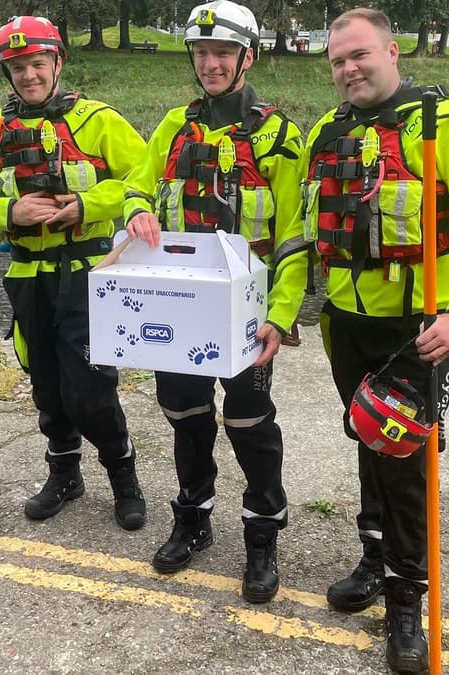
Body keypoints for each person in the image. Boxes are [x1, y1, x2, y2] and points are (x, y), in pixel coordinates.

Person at [307, 8, 449, 672]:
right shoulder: (329, 130)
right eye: (338, 60)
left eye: (360, 54)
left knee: (404, 461)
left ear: (392, 51)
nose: (349, 69)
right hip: (347, 321)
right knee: (367, 442)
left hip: (418, 329)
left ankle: (406, 598)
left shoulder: (447, 125)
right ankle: (374, 558)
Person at [123, 0, 307, 603]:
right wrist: (138, 210)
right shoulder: (174, 127)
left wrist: (282, 314)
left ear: (246, 57)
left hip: (248, 310)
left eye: (223, 53)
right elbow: (136, 184)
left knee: (250, 424)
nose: (211, 64)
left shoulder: (279, 136)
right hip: (180, 305)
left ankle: (262, 535)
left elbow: (295, 236)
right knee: (185, 415)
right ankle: (192, 518)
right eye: (201, 53)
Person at [0, 17, 149, 531]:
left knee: (91, 389)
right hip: (28, 275)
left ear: (57, 62)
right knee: (47, 387)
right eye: (17, 67)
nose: (28, 75)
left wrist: (88, 204)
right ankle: (65, 474)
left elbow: (144, 179)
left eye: (37, 64)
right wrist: (8, 211)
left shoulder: (99, 120)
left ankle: (124, 477)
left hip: (88, 273)